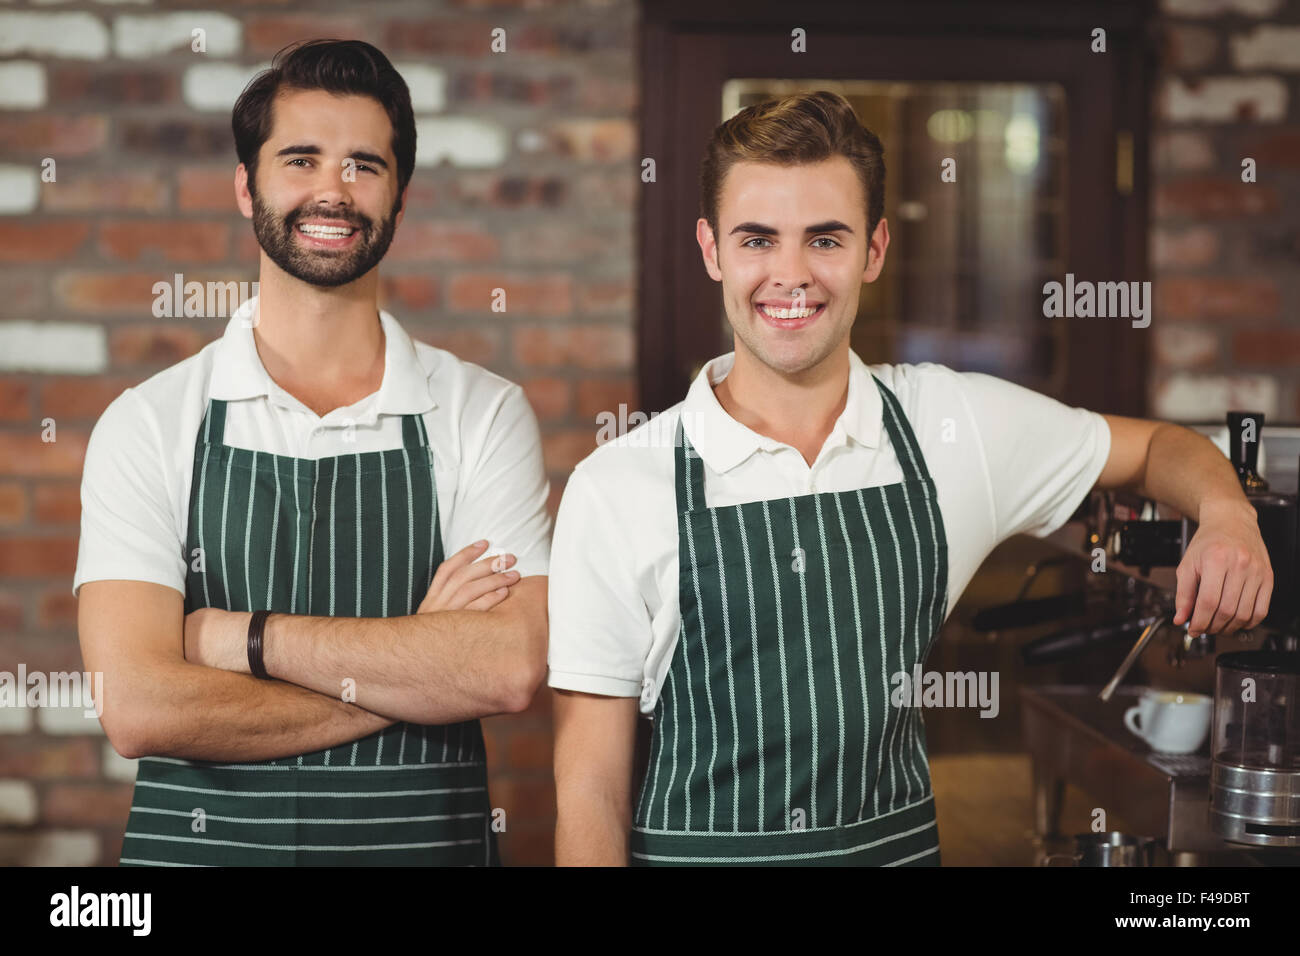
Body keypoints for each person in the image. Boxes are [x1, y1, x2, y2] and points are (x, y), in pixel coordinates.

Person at [548, 90, 1272, 866]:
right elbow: (591, 788)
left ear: (875, 249)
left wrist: (1230, 514)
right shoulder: (621, 483)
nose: (790, 276)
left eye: (825, 239)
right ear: (711, 250)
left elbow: (1160, 446)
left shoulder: (948, 426)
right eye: (758, 239)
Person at [74, 39, 550, 866]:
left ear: (400, 200)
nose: (334, 189)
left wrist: (239, 641)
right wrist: (419, 664)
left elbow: (507, 668)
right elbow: (140, 707)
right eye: (302, 159)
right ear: (245, 185)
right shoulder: (148, 422)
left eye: (365, 164)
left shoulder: (484, 413)